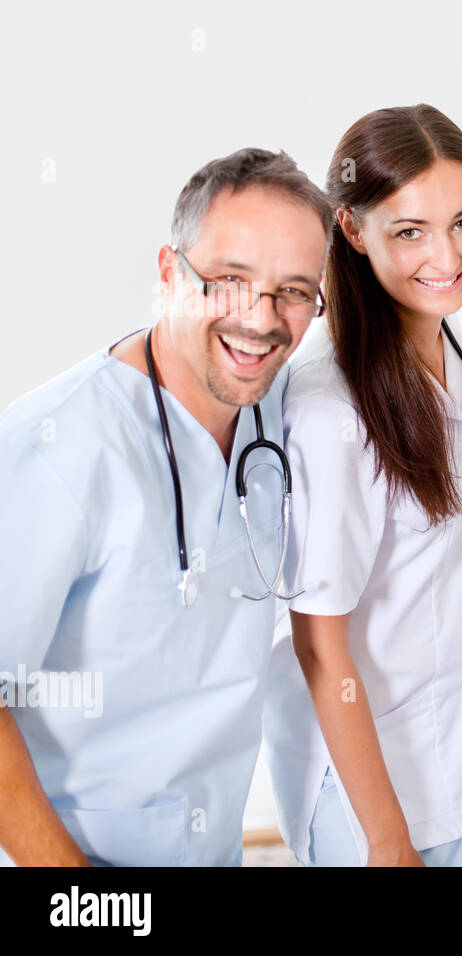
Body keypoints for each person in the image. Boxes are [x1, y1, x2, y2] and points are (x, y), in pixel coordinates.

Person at [0, 148, 331, 866]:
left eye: (294, 291)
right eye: (230, 280)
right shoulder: (56, 448)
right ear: (167, 273)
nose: (260, 319)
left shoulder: (280, 419)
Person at [261, 105, 462, 867]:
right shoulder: (329, 404)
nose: (447, 256)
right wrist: (386, 842)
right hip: (384, 807)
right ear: (351, 229)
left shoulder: (454, 348)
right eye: (409, 231)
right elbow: (320, 648)